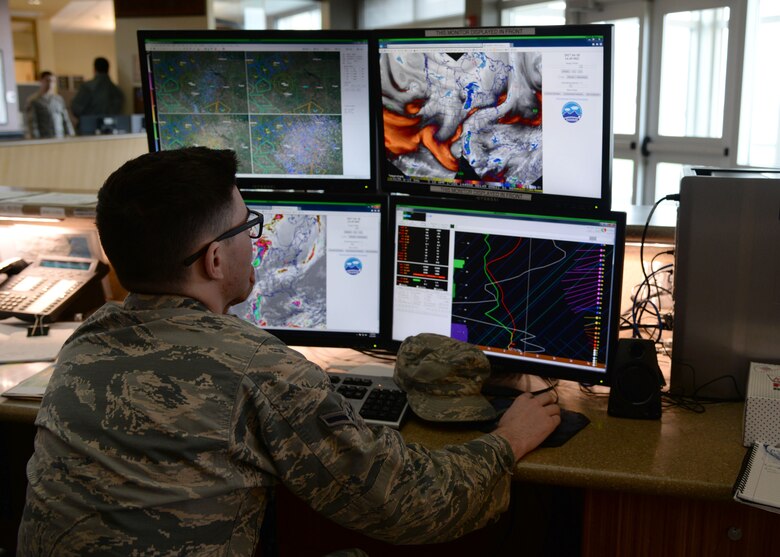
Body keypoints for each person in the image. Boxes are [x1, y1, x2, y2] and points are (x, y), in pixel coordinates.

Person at [16, 147, 560, 556]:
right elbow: (409, 505)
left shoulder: (84, 342)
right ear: (212, 261)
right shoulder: (262, 369)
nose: (254, 242)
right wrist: (507, 441)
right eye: (248, 226)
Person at [70, 56, 124, 132]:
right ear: (108, 69)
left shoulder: (87, 87)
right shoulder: (117, 90)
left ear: (94, 69)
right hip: (111, 129)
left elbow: (76, 108)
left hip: (88, 129)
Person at [23, 71, 75, 139]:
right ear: (41, 81)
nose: (50, 84)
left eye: (53, 81)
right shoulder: (33, 100)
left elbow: (65, 119)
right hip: (43, 137)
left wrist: (70, 134)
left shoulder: (58, 99)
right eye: (47, 81)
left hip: (59, 136)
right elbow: (31, 122)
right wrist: (34, 137)